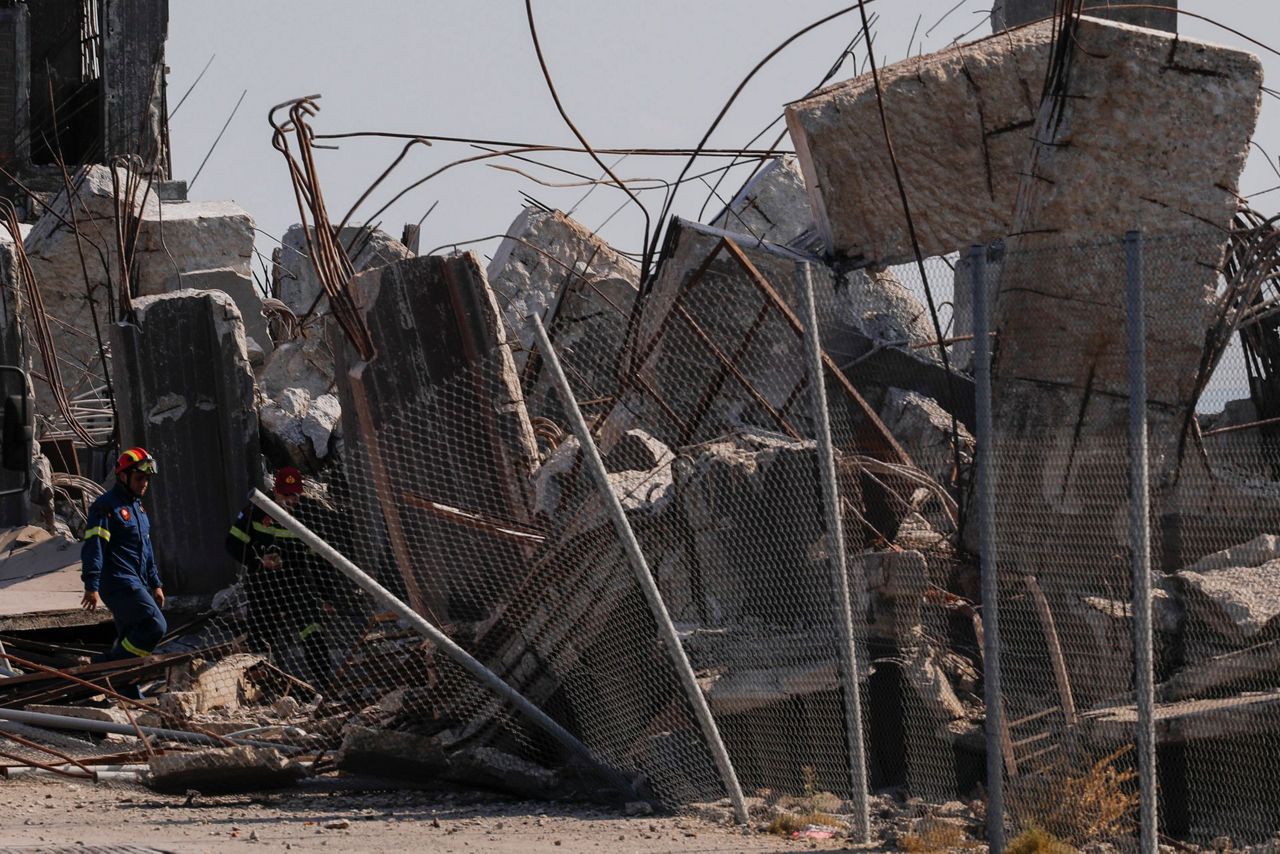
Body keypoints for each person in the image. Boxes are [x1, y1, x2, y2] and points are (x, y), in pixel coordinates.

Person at [225, 467, 334, 692]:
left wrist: (326, 596)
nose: (290, 500)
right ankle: (260, 690)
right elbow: (233, 544)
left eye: (295, 495)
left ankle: (325, 685)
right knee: (261, 638)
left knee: (312, 631)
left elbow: (321, 559)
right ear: (275, 492)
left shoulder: (308, 515)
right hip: (264, 584)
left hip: (297, 582)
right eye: (286, 495)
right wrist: (258, 561)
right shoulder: (255, 511)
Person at [81, 447, 167, 693]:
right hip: (118, 583)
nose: (144, 484)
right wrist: (91, 585)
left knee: (132, 636)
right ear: (123, 476)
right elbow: (94, 547)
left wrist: (155, 583)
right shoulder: (106, 507)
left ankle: (128, 692)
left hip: (136, 581)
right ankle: (105, 665)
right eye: (140, 478)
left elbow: (146, 550)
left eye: (147, 479)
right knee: (154, 625)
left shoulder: (138, 509)